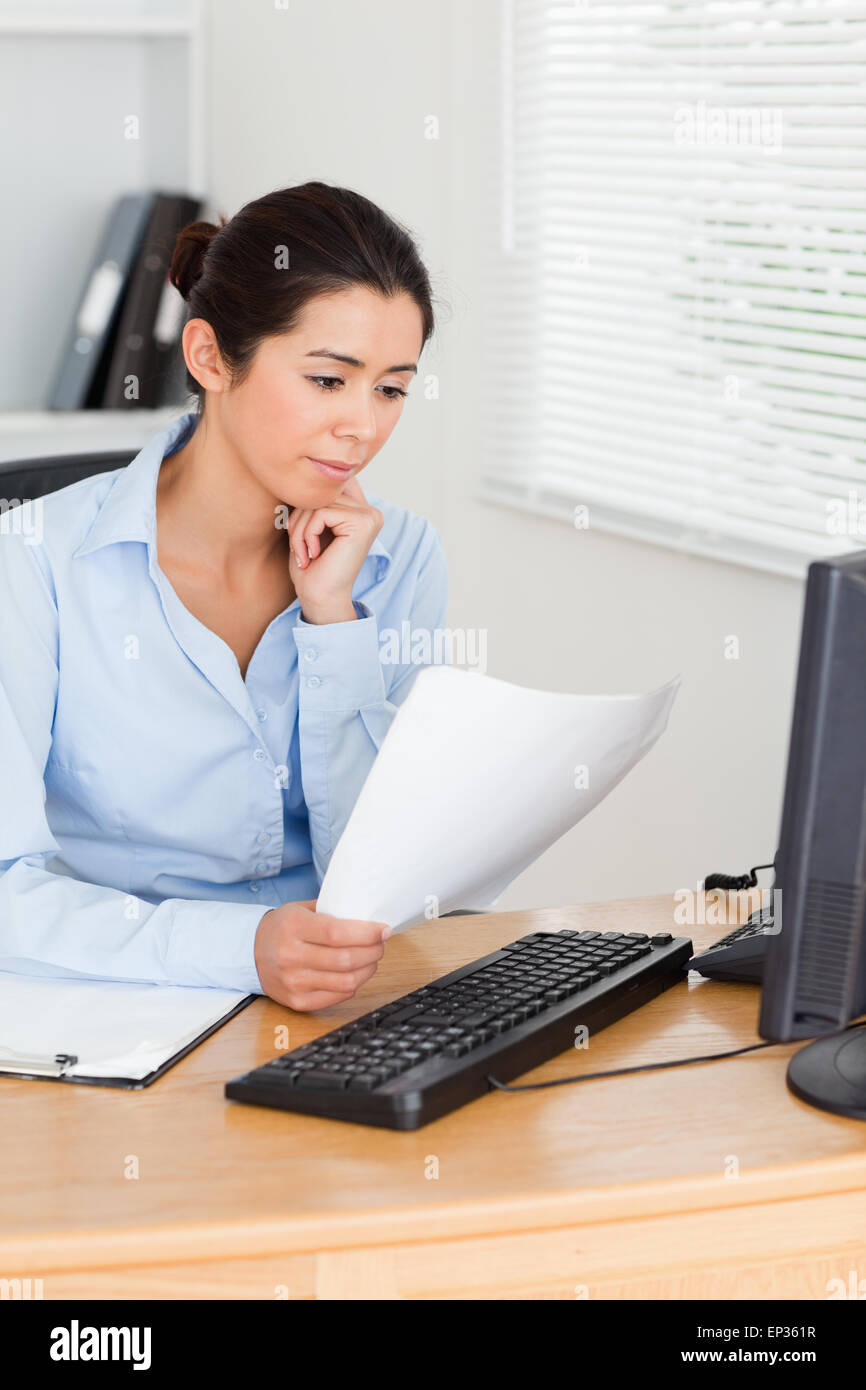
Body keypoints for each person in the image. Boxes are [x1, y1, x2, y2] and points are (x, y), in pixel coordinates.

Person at [0, 181, 448, 1011]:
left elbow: (393, 867)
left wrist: (334, 623)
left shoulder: (401, 557)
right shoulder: (33, 566)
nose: (363, 426)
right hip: (117, 1007)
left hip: (348, 1000)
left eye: (390, 389)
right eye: (327, 380)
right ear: (209, 357)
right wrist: (241, 948)